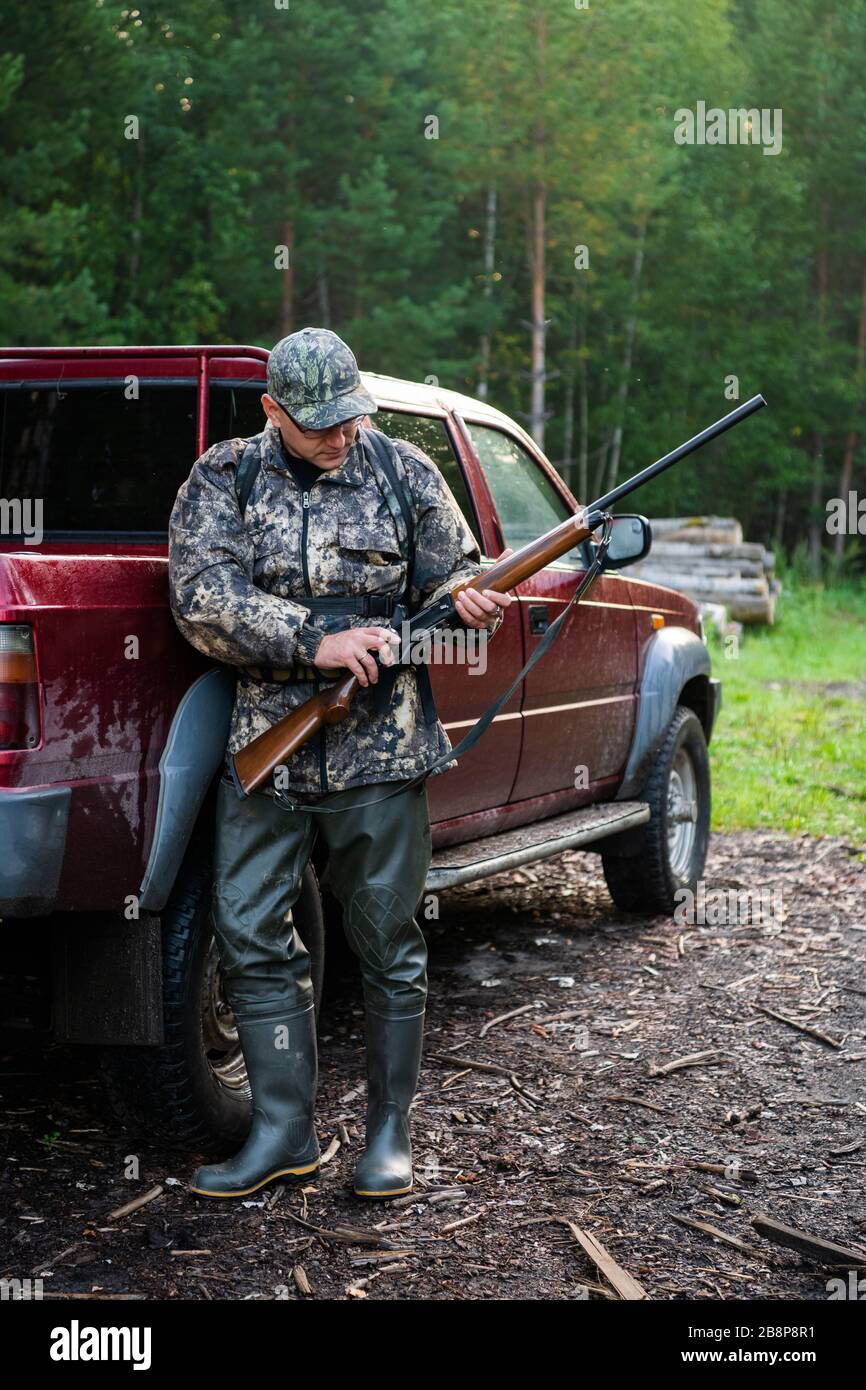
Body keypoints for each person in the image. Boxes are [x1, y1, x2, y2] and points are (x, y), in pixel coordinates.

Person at [167, 327, 512, 1199]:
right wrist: (315, 640)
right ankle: (285, 1132)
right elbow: (201, 600)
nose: (339, 435)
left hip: (383, 750)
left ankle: (389, 1135)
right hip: (269, 753)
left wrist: (466, 602)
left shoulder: (403, 472)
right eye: (316, 422)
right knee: (249, 933)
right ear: (270, 409)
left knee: (389, 938)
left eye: (349, 417)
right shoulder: (224, 477)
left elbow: (452, 583)